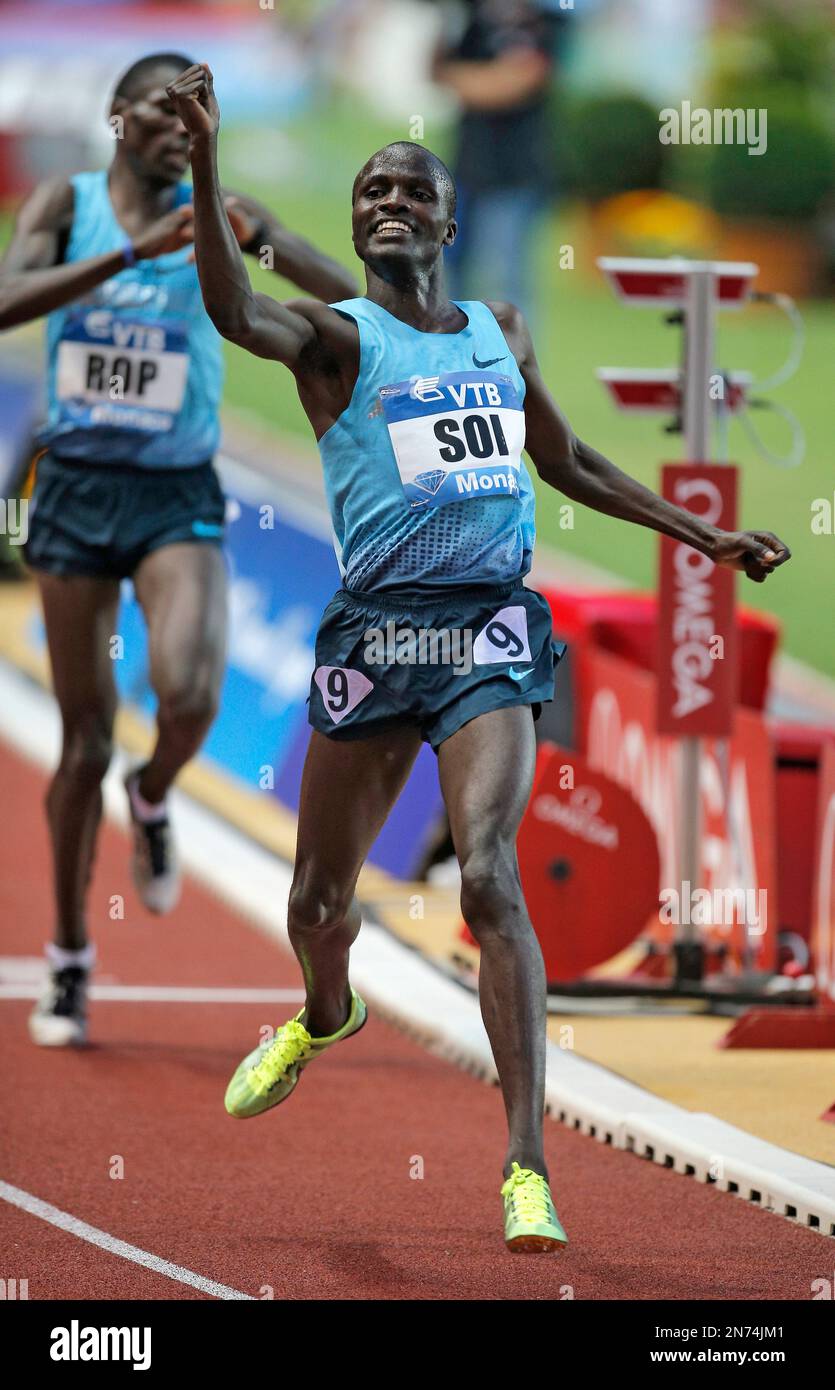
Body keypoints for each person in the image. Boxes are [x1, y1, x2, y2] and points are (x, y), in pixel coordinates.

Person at [168, 62, 791, 1253]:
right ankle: (321, 1010)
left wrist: (701, 533)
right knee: (317, 900)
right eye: (370, 193)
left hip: (488, 627)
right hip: (374, 633)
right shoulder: (330, 339)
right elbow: (233, 313)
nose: (388, 202)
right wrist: (204, 161)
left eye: (409, 189)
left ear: (451, 220)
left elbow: (568, 463)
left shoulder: (500, 333)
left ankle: (523, 1165)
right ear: (357, 227)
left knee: (489, 871)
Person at [0, 52, 356, 1049]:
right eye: (162, 114)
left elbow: (343, 303)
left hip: (176, 490)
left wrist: (287, 250)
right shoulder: (63, 205)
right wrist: (128, 254)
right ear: (117, 120)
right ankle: (70, 957)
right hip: (72, 488)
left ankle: (152, 796)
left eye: (197, 116)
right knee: (81, 738)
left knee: (191, 690)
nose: (179, 129)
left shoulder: (223, 209)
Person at [432, 0, 566, 319]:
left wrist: (461, 78)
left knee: (507, 283)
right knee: (450, 277)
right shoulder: (472, 17)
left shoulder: (545, 19)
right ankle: (458, 362)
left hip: (515, 175)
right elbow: (434, 70)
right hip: (465, 170)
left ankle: (515, 367)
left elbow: (513, 83)